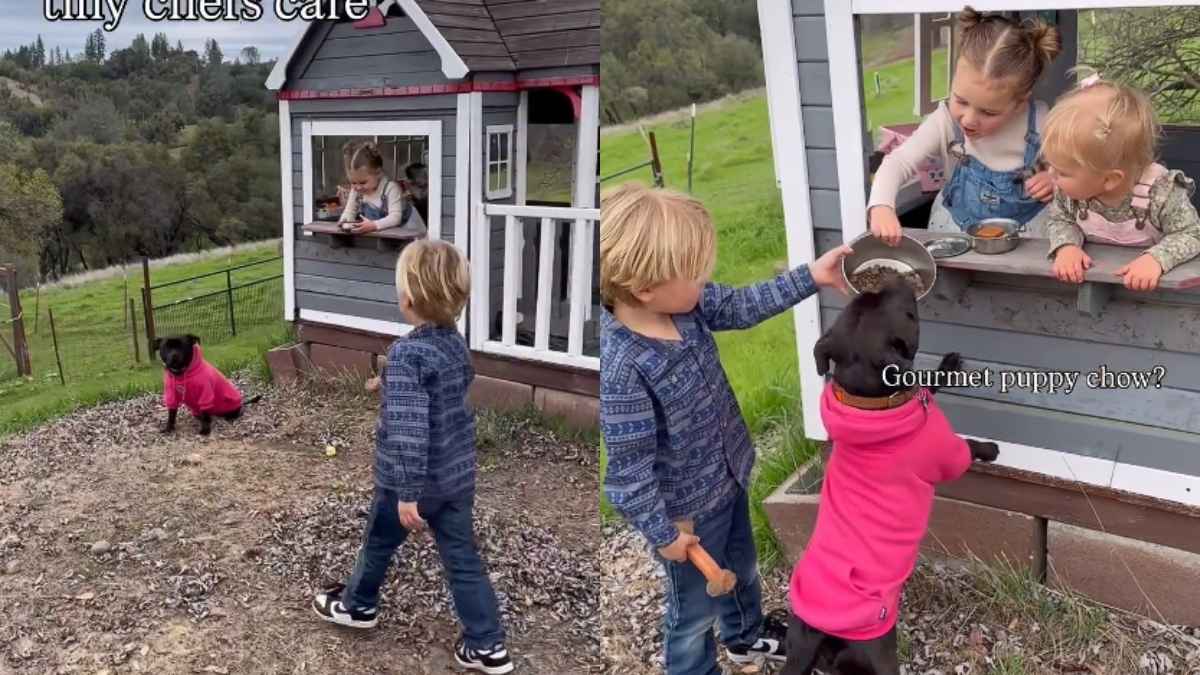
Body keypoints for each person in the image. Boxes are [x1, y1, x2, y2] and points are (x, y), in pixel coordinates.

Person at [599, 182, 853, 675]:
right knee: (691, 616)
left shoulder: (684, 307)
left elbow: (742, 304)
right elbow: (628, 471)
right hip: (685, 515)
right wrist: (661, 530)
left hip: (729, 479)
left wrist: (811, 277)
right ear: (645, 288)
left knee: (744, 569)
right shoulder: (624, 367)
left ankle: (745, 638)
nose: (705, 281)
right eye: (694, 275)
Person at [311, 239, 512, 675]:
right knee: (462, 558)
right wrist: (390, 384)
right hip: (456, 479)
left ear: (408, 299)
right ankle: (487, 645)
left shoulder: (407, 354)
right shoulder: (453, 344)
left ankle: (358, 605)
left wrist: (406, 495)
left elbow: (408, 432)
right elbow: (436, 397)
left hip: (408, 485)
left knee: (379, 544)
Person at [869, 7, 1062, 243]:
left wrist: (1055, 178)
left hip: (1026, 237)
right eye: (960, 100)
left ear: (1020, 102)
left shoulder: (1043, 121)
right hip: (953, 230)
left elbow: (1079, 170)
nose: (968, 119)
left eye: (988, 112)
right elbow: (898, 162)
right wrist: (881, 205)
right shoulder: (945, 121)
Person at [1041, 72, 1200, 292]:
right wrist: (1066, 246)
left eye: (1063, 172)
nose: (1052, 175)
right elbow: (1060, 219)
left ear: (1110, 179)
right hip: (1093, 284)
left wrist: (1157, 259)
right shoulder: (1068, 192)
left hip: (1151, 291)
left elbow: (1191, 233)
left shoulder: (1160, 192)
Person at [338, 141, 427, 236]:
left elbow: (395, 218)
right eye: (353, 182)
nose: (358, 187)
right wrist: (345, 222)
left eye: (363, 182)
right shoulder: (356, 190)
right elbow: (349, 211)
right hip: (388, 233)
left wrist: (374, 225)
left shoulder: (391, 188)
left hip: (411, 231)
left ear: (378, 172)